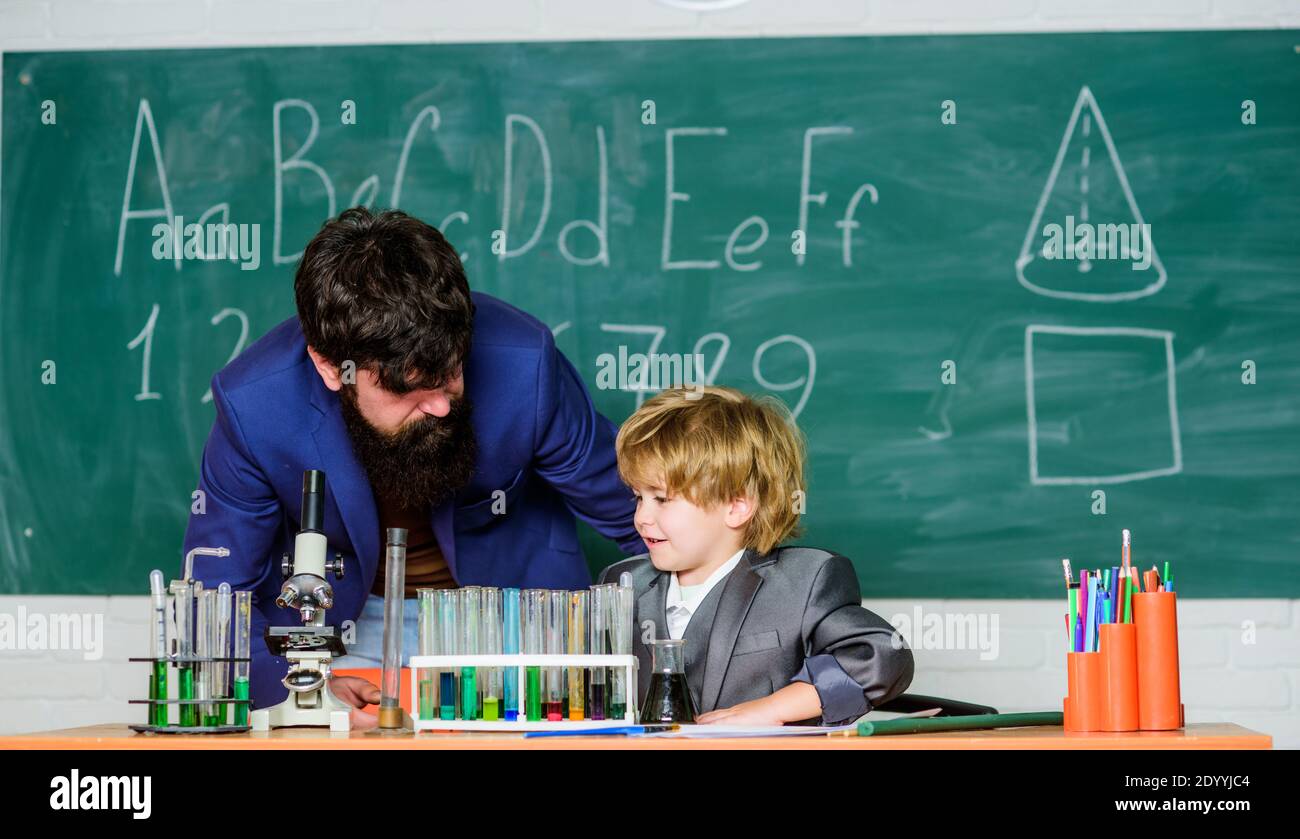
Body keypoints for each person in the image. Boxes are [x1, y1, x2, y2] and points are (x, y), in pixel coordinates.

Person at [183, 208, 643, 725]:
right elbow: (217, 596)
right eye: (408, 389)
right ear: (332, 368)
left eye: (450, 374)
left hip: (516, 626)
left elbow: (635, 514)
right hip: (344, 630)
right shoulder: (254, 404)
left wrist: (717, 625)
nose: (443, 406)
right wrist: (298, 687)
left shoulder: (525, 360)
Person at [598, 386, 912, 725]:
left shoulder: (803, 581)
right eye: (637, 498)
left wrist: (773, 709)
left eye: (661, 499)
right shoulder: (621, 583)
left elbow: (880, 657)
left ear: (737, 506)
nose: (642, 517)